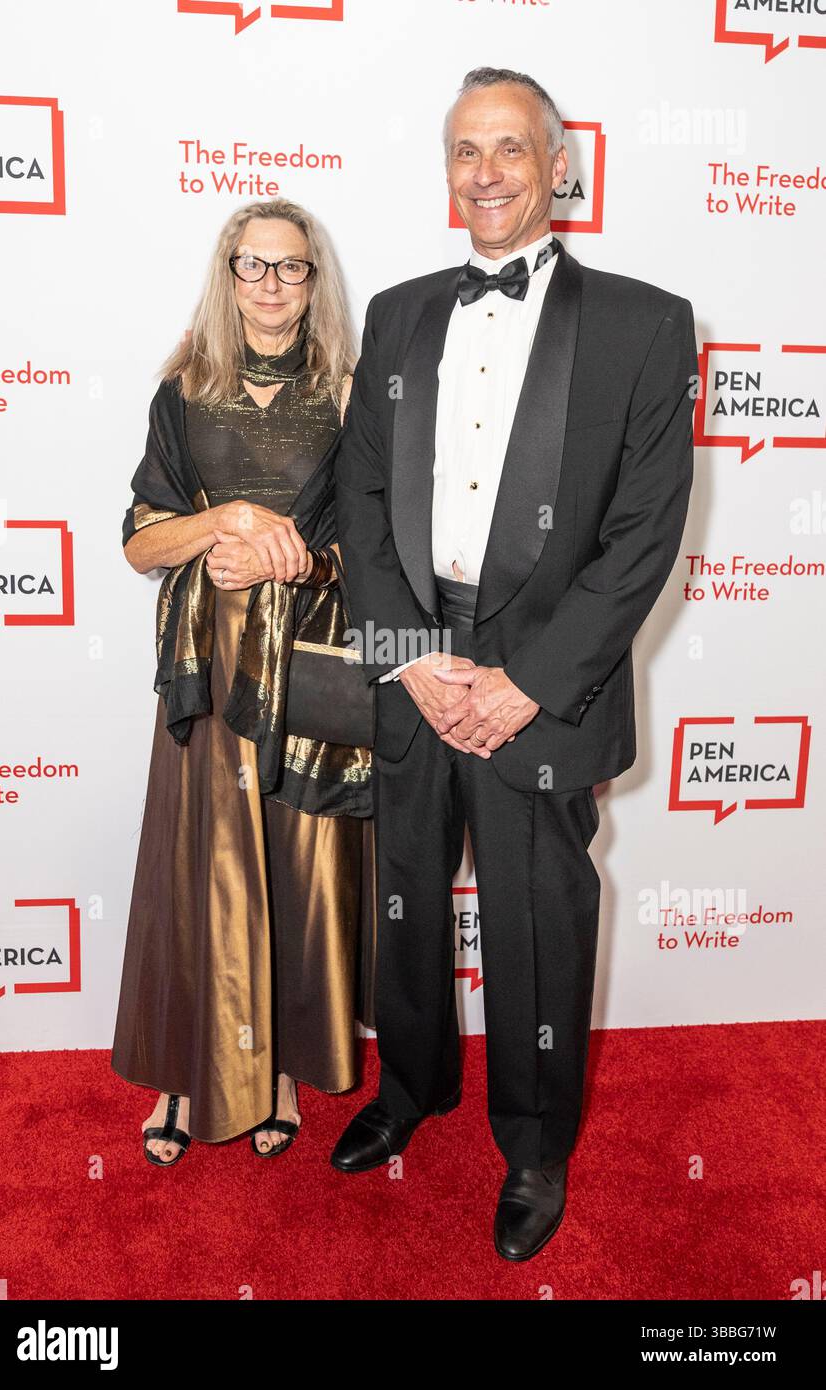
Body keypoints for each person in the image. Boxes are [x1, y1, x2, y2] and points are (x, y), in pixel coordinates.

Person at [331, 68, 697, 1260]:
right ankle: (411, 1087)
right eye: (461, 150)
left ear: (557, 167)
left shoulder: (646, 322)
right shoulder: (394, 313)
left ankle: (535, 1144)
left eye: (507, 149)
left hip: (545, 674)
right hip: (416, 656)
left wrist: (529, 681)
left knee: (537, 916)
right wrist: (414, 661)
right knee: (404, 900)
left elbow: (645, 530)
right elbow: (363, 498)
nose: (483, 172)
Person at [111, 198, 375, 1165]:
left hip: (305, 666)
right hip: (209, 667)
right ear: (226, 277)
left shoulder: (350, 394)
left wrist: (292, 559)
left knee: (294, 866)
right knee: (202, 868)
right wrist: (225, 526)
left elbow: (374, 547)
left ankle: (274, 1070)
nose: (270, 285)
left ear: (315, 279)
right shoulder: (185, 389)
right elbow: (142, 540)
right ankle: (185, 1072)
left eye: (290, 267)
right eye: (251, 267)